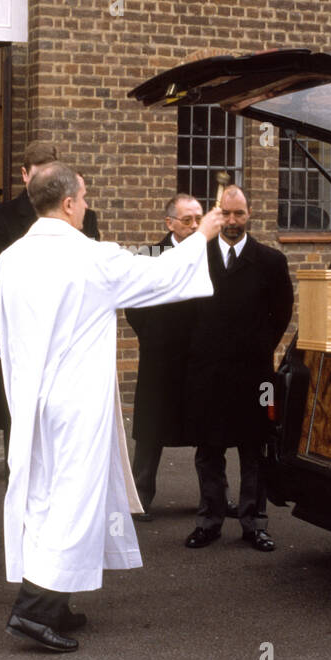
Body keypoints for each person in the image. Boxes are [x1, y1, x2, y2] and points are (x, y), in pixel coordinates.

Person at [0, 162, 225, 652]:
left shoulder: (11, 258)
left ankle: (56, 602)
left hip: (32, 399)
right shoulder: (91, 257)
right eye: (86, 197)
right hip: (77, 399)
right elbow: (160, 275)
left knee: (47, 495)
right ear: (69, 203)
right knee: (74, 497)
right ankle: (33, 610)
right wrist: (202, 234)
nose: (88, 205)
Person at [183, 186, 293, 553]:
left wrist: (259, 346)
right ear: (218, 213)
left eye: (239, 214)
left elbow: (282, 314)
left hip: (254, 375)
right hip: (208, 372)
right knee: (208, 452)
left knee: (255, 451)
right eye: (226, 214)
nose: (232, 222)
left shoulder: (271, 261)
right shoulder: (197, 256)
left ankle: (254, 524)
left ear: (250, 214)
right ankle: (208, 521)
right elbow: (184, 314)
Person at [0, 142, 100, 457]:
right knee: (19, 443)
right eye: (38, 175)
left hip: (66, 341)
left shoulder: (85, 217)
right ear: (24, 175)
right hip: (22, 336)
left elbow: (91, 279)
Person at [125, 193, 204, 521]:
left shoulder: (210, 253)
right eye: (187, 220)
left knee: (207, 428)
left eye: (198, 219)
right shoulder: (150, 255)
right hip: (160, 357)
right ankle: (140, 496)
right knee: (150, 429)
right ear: (169, 222)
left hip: (200, 355)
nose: (194, 226)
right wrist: (153, 338)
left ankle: (215, 498)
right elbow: (133, 305)